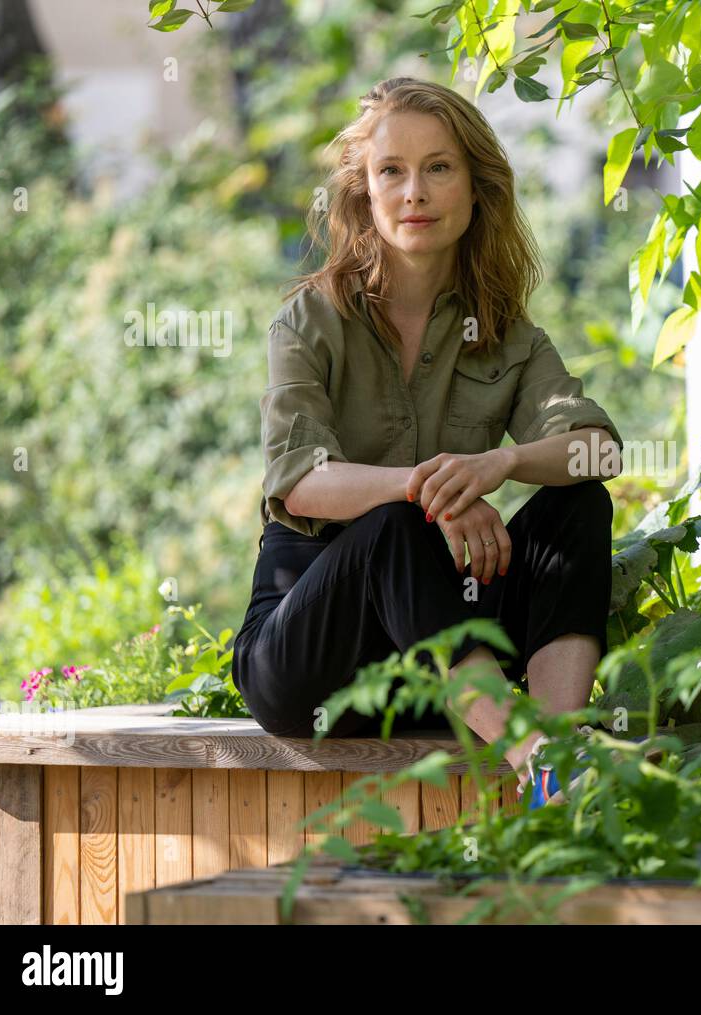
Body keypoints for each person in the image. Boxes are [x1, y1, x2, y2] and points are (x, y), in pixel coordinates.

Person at [229, 76, 623, 804]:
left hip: (437, 656)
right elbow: (297, 478)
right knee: (395, 523)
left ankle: (560, 766)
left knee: (579, 504)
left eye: (439, 167)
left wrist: (500, 462)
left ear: (477, 190)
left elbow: (600, 449)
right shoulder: (308, 321)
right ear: (364, 193)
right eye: (392, 171)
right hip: (313, 662)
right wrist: (434, 490)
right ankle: (538, 761)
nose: (415, 191)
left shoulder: (508, 336)